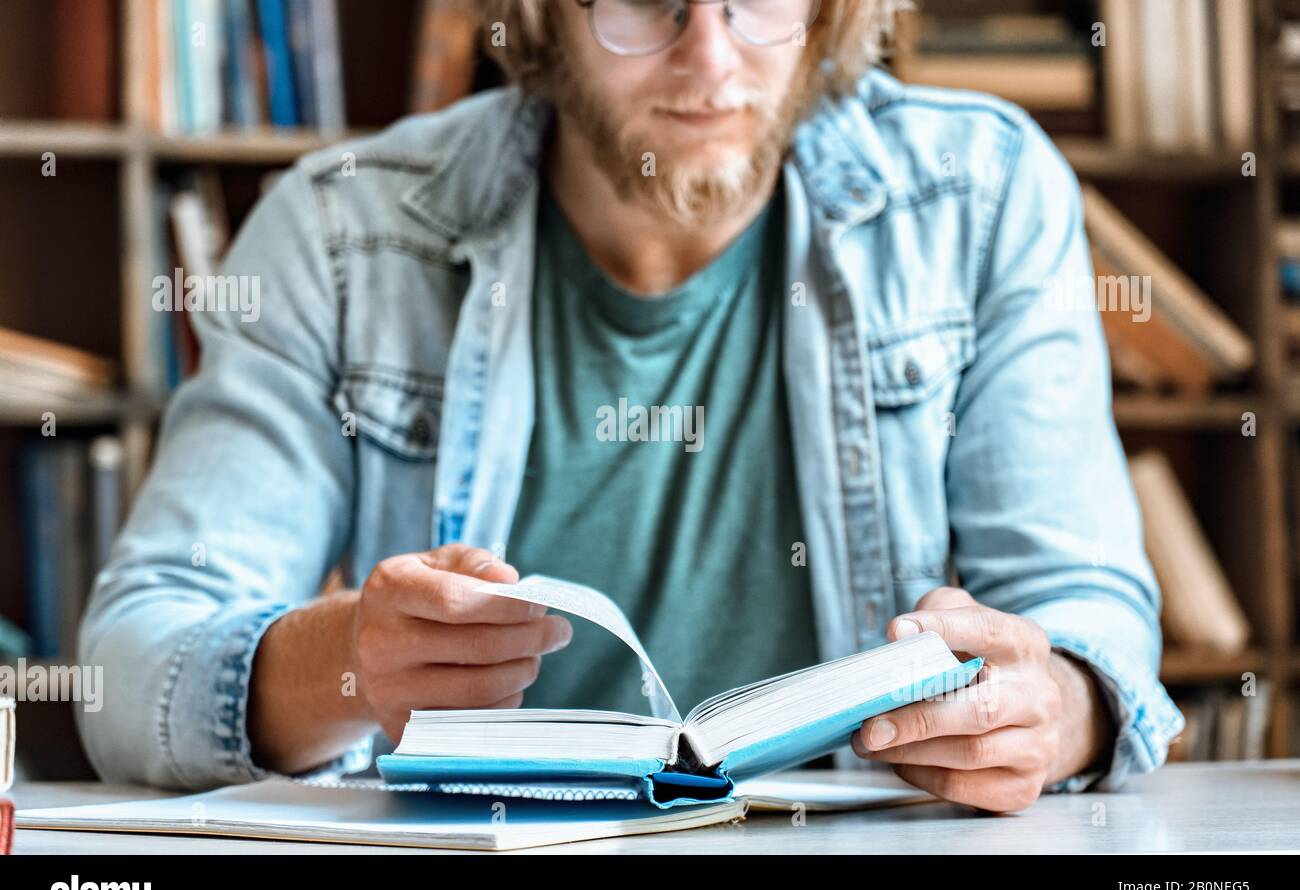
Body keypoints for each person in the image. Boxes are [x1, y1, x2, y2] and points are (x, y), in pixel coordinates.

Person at [78, 0, 1183, 812]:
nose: (709, 58)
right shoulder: (338, 234)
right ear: (542, 16)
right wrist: (349, 660)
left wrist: (1056, 710)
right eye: (640, 5)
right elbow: (125, 672)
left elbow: (1086, 614)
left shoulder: (980, 197)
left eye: (759, 4)